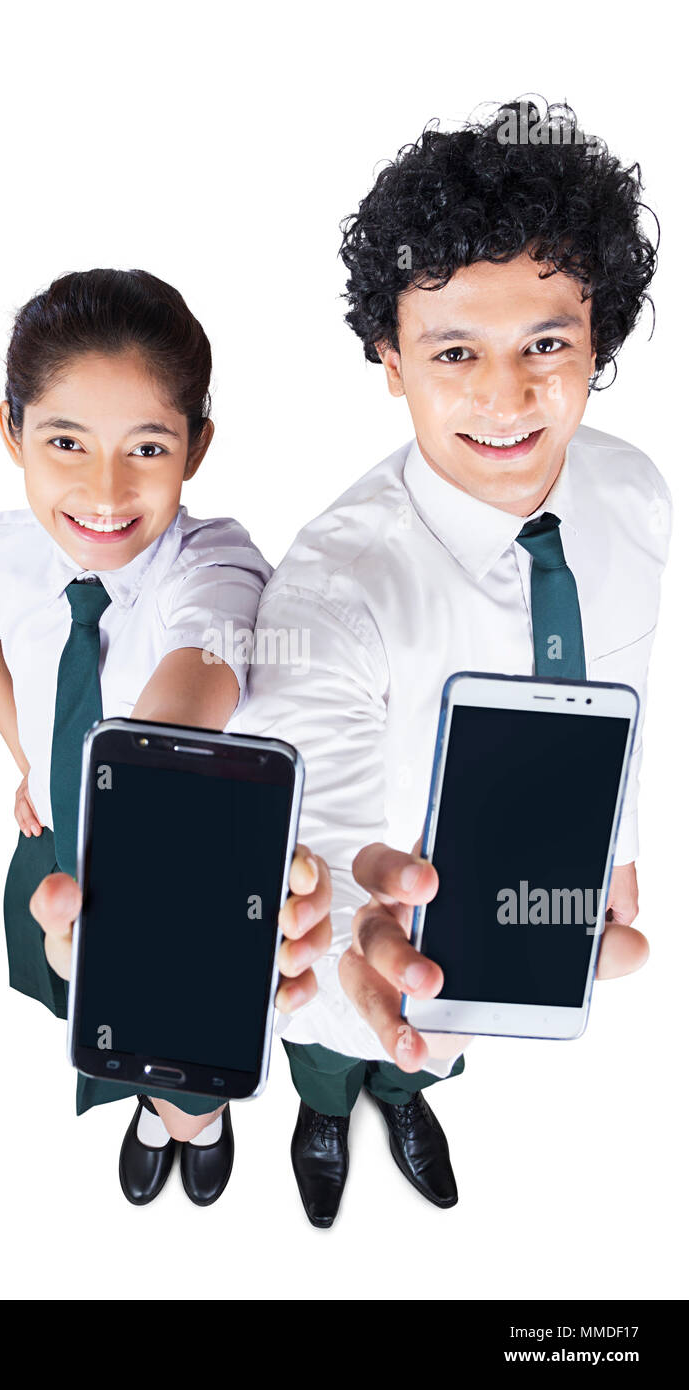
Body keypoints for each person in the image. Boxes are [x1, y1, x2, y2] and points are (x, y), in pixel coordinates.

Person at [234, 99, 671, 1226]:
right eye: (451, 352)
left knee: (435, 1058)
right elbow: (314, 845)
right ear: (388, 360)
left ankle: (413, 1093)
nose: (505, 395)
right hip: (373, 956)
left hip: (527, 918)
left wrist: (604, 848)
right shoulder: (332, 593)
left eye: (545, 344)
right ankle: (325, 1115)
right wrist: (353, 940)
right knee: (350, 1046)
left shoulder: (632, 495)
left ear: (597, 339)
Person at [0, 267, 331, 1208]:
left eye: (146, 447)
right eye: (65, 441)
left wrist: (145, 787)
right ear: (11, 432)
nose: (103, 491)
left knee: (179, 1048)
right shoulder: (6, 550)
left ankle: (186, 1120)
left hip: (177, 856)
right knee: (79, 992)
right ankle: (153, 1103)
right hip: (58, 844)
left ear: (196, 447)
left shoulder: (219, 564)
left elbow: (200, 665)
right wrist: (29, 755)